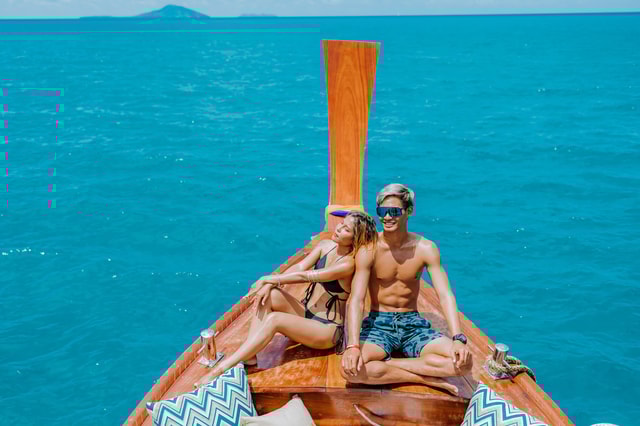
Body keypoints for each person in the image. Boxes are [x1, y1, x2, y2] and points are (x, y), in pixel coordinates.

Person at [195, 210, 378, 387]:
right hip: (305, 312)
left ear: (356, 238)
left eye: (346, 229)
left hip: (326, 329)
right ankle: (249, 355)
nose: (338, 228)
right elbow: (299, 268)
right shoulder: (325, 245)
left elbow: (307, 276)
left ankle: (221, 369)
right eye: (341, 224)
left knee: (275, 319)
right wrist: (270, 285)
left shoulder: (347, 264)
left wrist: (271, 279)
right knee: (268, 295)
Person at [340, 184, 473, 396]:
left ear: (408, 211)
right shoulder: (369, 248)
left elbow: (445, 295)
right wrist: (353, 346)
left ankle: (391, 364)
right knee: (350, 371)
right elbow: (356, 299)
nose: (387, 217)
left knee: (464, 364)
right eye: (382, 211)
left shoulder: (425, 248)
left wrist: (458, 338)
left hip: (412, 324)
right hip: (379, 323)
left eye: (394, 211)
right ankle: (424, 378)